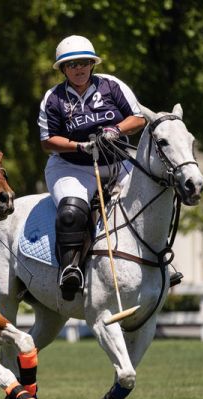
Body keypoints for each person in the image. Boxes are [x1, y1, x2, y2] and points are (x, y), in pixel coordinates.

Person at [38, 35, 147, 301]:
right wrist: (79, 146)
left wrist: (115, 129)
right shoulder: (53, 98)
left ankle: (162, 261)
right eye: (72, 64)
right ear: (63, 69)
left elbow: (139, 118)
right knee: (72, 210)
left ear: (92, 64)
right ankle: (71, 268)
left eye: (84, 62)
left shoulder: (112, 86)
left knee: (150, 198)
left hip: (117, 160)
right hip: (71, 167)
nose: (79, 68)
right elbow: (47, 141)